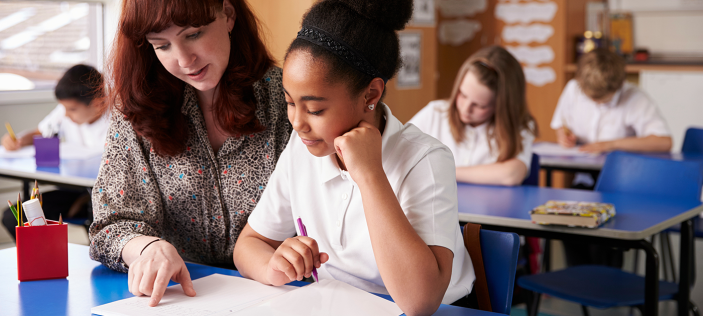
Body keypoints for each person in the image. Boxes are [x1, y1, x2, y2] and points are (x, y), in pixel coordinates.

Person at [232, 0, 475, 315]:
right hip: (336, 305)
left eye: (316, 109)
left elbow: (420, 302)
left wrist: (370, 174)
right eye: (290, 102)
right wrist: (273, 265)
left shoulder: (425, 158)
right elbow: (248, 245)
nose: (298, 122)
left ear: (370, 95)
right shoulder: (302, 146)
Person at [89, 0, 292, 307]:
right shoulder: (137, 110)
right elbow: (110, 226)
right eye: (162, 46)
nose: (184, 60)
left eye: (194, 34)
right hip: (183, 297)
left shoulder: (287, 98)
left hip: (283, 292)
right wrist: (146, 248)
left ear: (228, 15)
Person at [1, 64, 107, 240]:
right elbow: (39, 132)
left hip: (104, 195)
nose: (65, 115)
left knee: (100, 227)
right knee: (14, 217)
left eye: (72, 109)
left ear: (98, 103)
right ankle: (42, 261)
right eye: (63, 108)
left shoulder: (118, 118)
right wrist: (17, 140)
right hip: (73, 190)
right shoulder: (66, 111)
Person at [409, 46, 537, 186]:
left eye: (480, 106)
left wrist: (441, 171)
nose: (465, 108)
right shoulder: (435, 112)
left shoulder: (519, 125)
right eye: (462, 95)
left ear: (501, 107)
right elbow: (394, 151)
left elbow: (511, 174)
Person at [551, 48, 672, 188]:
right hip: (584, 178)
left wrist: (610, 145)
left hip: (624, 179)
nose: (595, 103)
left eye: (603, 100)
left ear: (619, 86)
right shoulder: (573, 88)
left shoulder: (635, 97)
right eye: (589, 98)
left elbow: (663, 142)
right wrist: (564, 136)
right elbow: (560, 123)